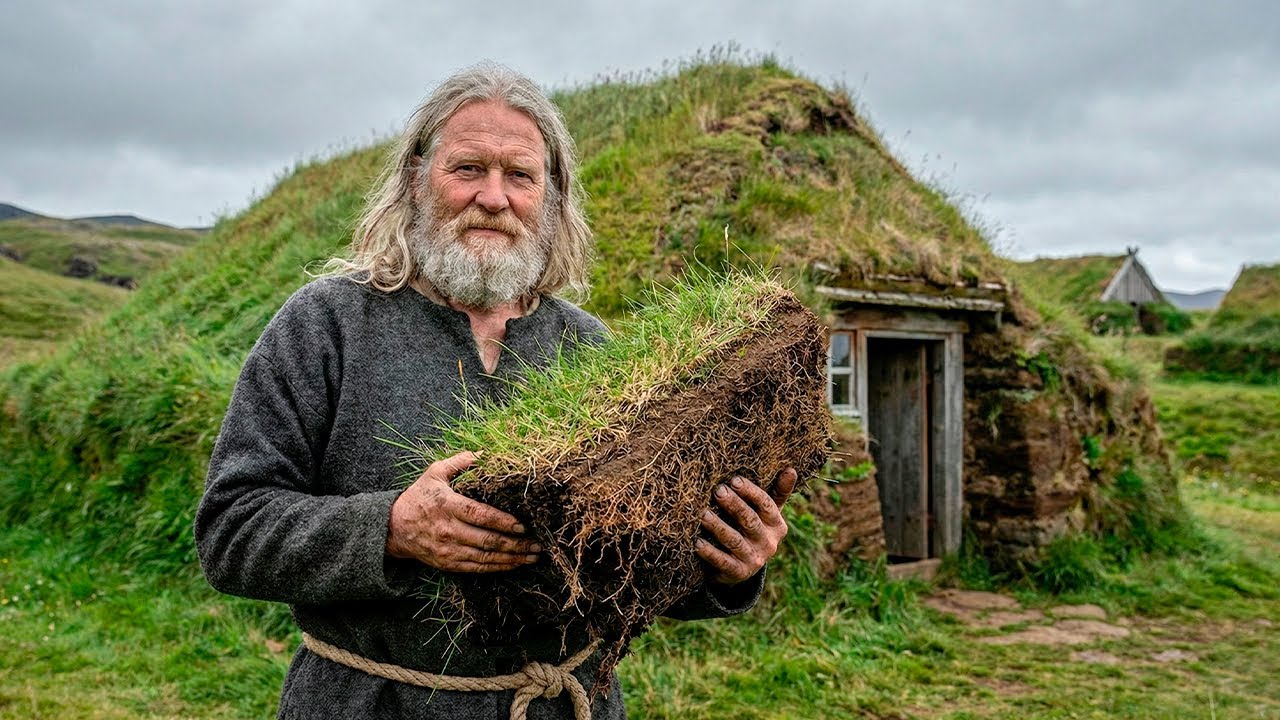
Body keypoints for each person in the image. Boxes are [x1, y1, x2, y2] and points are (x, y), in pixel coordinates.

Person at [195, 62, 797, 720]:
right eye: (468, 169)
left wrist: (726, 567)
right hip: (369, 702)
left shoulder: (595, 351)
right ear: (416, 179)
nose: (493, 197)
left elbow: (631, 563)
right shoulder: (326, 326)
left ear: (552, 198)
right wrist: (390, 528)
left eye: (519, 175)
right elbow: (231, 529)